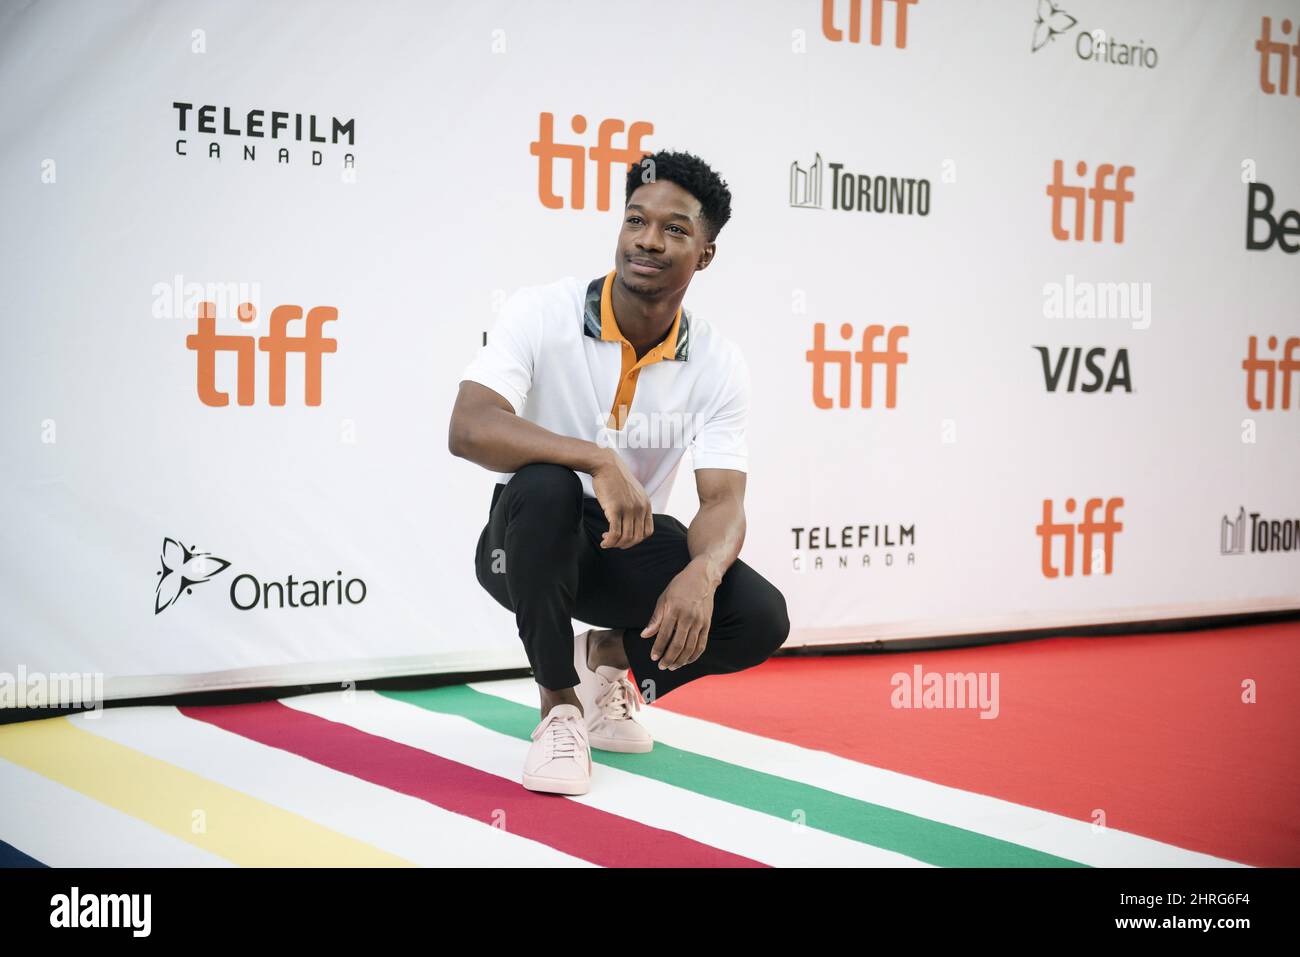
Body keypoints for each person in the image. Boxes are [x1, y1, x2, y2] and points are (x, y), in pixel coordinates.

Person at [448, 149, 790, 795]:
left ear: (705, 254)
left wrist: (702, 571)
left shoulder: (718, 359)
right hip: (523, 544)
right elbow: (468, 426)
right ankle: (560, 709)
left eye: (675, 229)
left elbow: (722, 497)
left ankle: (605, 656)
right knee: (546, 482)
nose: (649, 240)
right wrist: (596, 458)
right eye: (636, 220)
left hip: (625, 544)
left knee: (757, 615)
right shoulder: (542, 310)